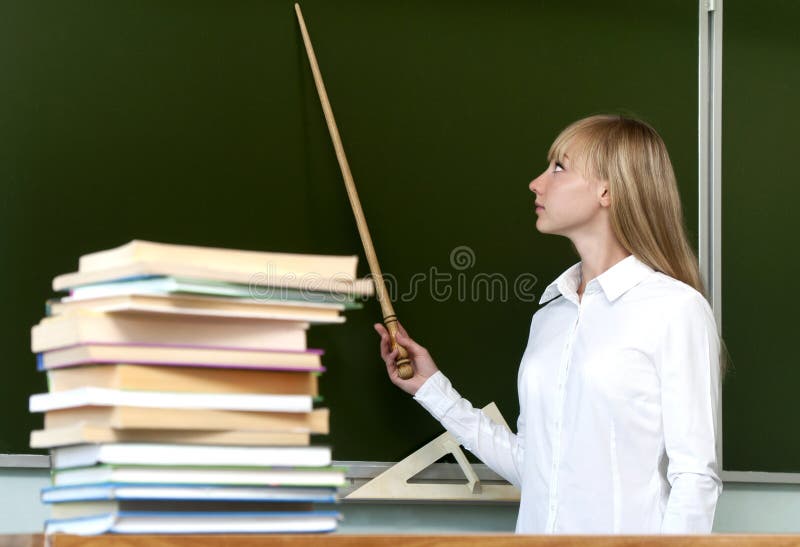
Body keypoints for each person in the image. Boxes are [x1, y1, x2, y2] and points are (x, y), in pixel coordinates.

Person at [374, 114, 723, 534]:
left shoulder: (675, 309)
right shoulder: (551, 315)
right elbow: (535, 467)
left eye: (559, 167)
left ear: (607, 190)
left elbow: (695, 478)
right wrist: (433, 390)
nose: (537, 183)